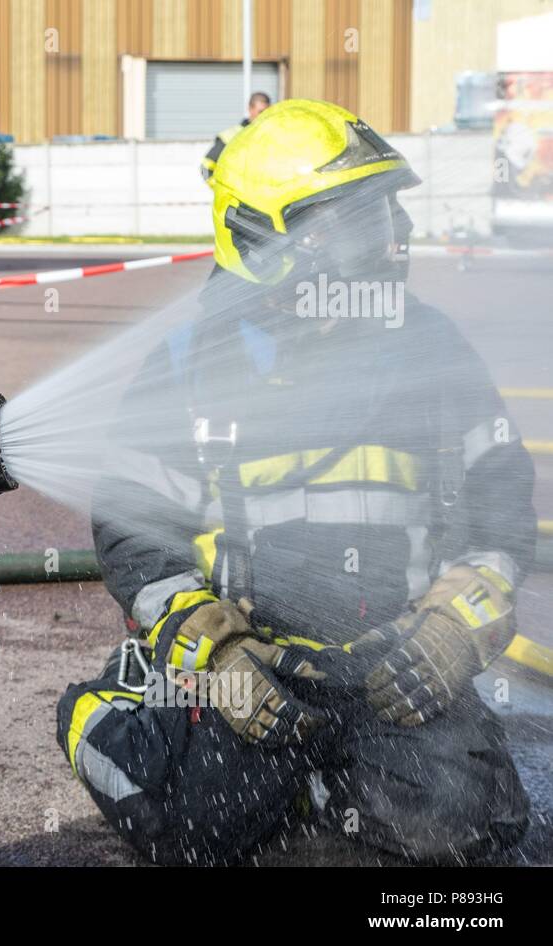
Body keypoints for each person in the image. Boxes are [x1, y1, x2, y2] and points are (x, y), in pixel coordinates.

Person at [58, 99, 535, 865]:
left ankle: (323, 782)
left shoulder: (432, 350)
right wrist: (214, 652)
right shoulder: (188, 371)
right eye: (356, 222)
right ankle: (118, 701)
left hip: (393, 667)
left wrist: (456, 623)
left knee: (464, 827)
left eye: (386, 212)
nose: (392, 237)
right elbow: (135, 538)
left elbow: (500, 506)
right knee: (194, 828)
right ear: (263, 240)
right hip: (247, 669)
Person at [201, 91, 271, 182]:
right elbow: (206, 167)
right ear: (250, 109)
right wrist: (218, 187)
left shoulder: (272, 136)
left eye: (267, 112)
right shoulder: (231, 135)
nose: (264, 116)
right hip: (235, 190)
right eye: (260, 112)